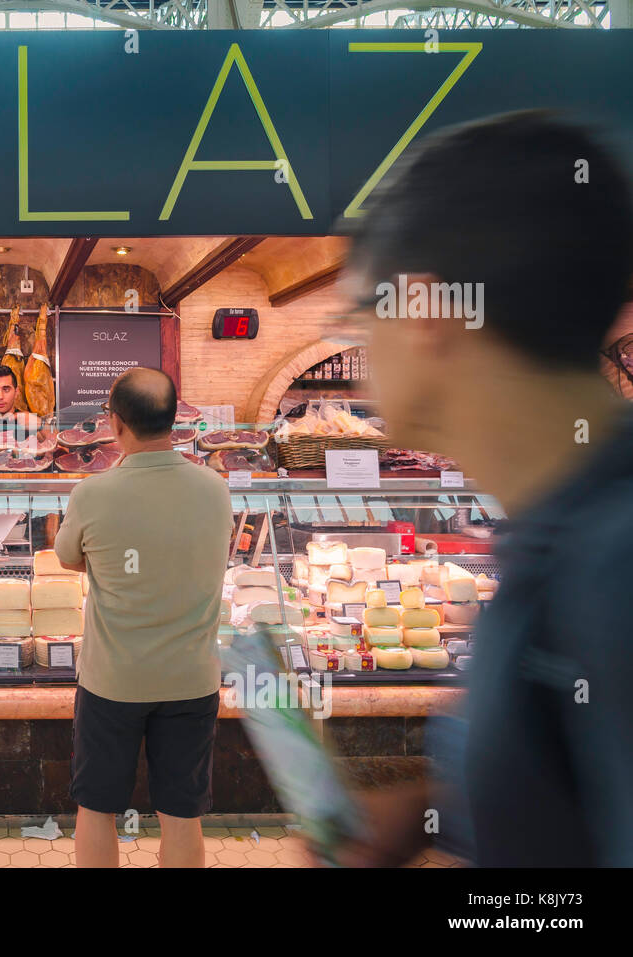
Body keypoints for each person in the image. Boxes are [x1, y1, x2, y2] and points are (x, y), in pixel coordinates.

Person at [339, 110, 633, 866]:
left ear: (427, 314)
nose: (357, 342)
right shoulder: (563, 525)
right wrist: (445, 812)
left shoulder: (614, 564)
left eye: (363, 312)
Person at [53, 367, 232, 867]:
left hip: (114, 681)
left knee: (97, 807)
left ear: (115, 424)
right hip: (191, 680)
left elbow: (68, 558)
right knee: (181, 814)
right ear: (174, 419)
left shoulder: (92, 494)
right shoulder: (215, 489)